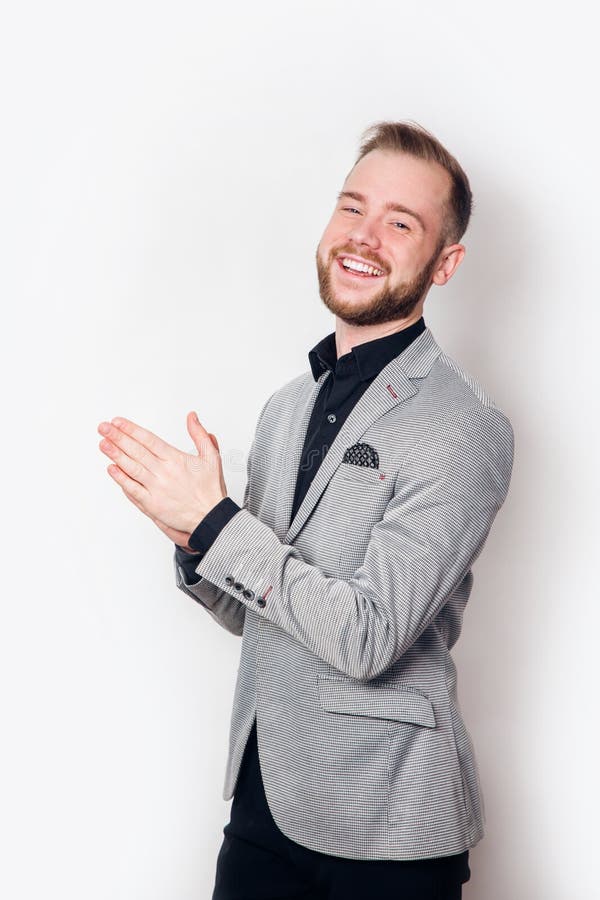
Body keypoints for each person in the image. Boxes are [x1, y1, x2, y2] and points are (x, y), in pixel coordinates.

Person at [98, 121, 515, 899]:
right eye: (352, 208)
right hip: (263, 802)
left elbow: (367, 637)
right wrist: (195, 538)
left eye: (401, 222)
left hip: (388, 828)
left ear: (446, 262)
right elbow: (263, 610)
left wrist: (223, 525)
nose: (364, 236)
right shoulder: (287, 407)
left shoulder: (465, 427)